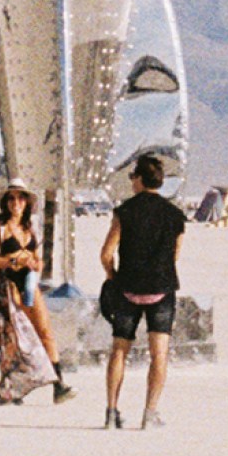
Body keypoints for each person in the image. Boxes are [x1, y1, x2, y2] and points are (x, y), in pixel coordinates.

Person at [99, 153, 186, 429]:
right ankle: (150, 412)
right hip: (161, 289)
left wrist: (113, 276)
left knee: (120, 349)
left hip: (128, 288)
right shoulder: (175, 216)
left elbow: (106, 253)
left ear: (138, 179)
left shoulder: (124, 212)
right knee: (159, 353)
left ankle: (112, 411)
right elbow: (175, 255)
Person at [0, 186, 71, 404]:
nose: (16, 203)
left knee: (45, 331)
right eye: (11, 198)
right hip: (8, 283)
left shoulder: (28, 227)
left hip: (28, 282)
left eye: (21, 198)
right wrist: (13, 260)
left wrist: (35, 262)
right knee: (13, 339)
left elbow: (35, 254)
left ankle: (59, 384)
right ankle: (4, 389)